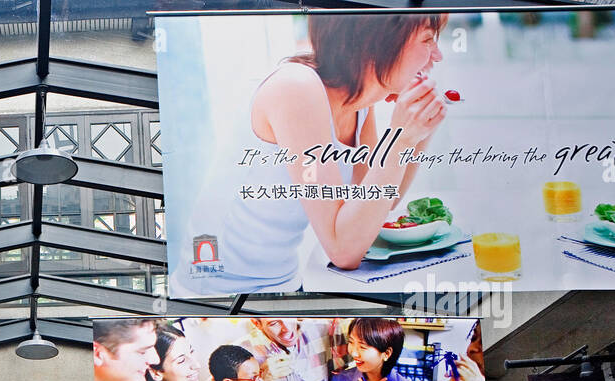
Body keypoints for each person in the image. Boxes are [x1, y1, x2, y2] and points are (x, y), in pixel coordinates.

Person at [187, 14, 450, 292]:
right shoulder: (296, 87)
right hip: (219, 296)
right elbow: (344, 250)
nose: (438, 55)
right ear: (379, 41)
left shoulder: (359, 101)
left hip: (282, 286)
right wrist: (403, 139)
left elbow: (376, 206)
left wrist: (420, 130)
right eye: (427, 39)